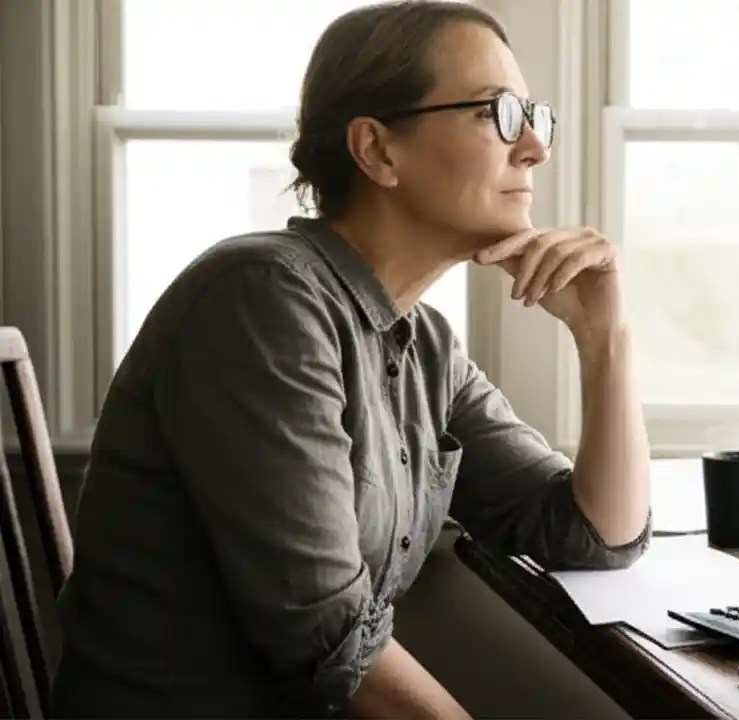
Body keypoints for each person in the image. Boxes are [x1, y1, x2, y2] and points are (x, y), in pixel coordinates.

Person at [50, 1, 651, 717]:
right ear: (377, 150)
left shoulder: (422, 342)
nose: (534, 150)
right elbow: (331, 640)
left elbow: (592, 534)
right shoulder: (261, 299)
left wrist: (604, 339)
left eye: (534, 116)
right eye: (498, 114)